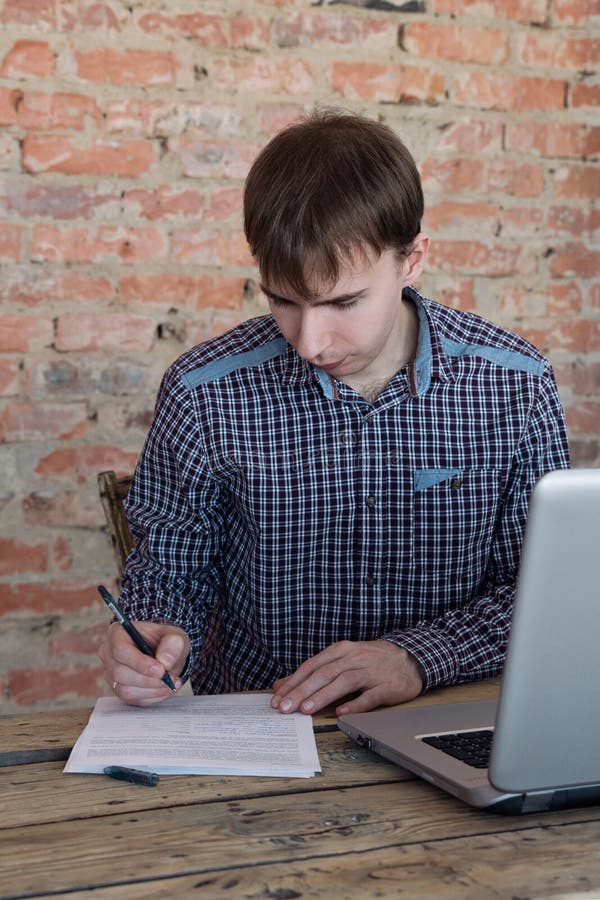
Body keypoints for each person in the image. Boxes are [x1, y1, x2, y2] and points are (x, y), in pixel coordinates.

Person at [98, 109, 570, 716]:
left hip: (452, 715)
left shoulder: (516, 386)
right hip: (262, 724)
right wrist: (155, 636)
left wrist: (420, 657)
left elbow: (542, 593)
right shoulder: (203, 391)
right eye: (283, 301)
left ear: (412, 259)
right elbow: (171, 571)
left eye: (343, 301)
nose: (309, 342)